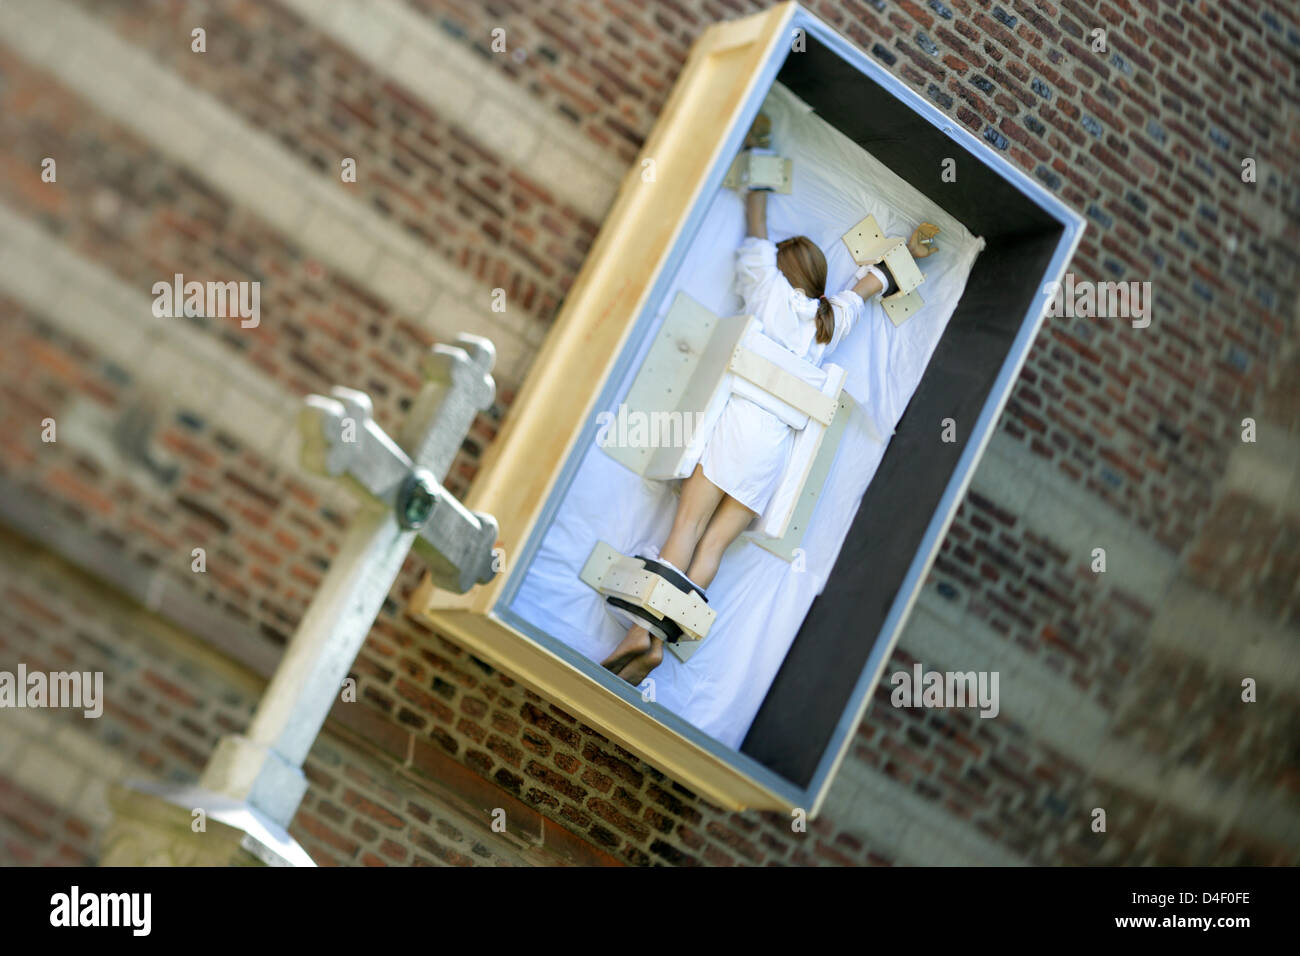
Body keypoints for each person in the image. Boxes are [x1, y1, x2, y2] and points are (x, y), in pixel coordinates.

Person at [600, 158, 939, 686]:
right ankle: (660, 642)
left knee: (685, 527)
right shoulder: (831, 319)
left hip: (738, 428)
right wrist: (911, 250)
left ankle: (638, 635)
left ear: (787, 270)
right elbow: (870, 284)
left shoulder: (767, 290)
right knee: (711, 546)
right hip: (773, 454)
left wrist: (758, 180)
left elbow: (755, 237)